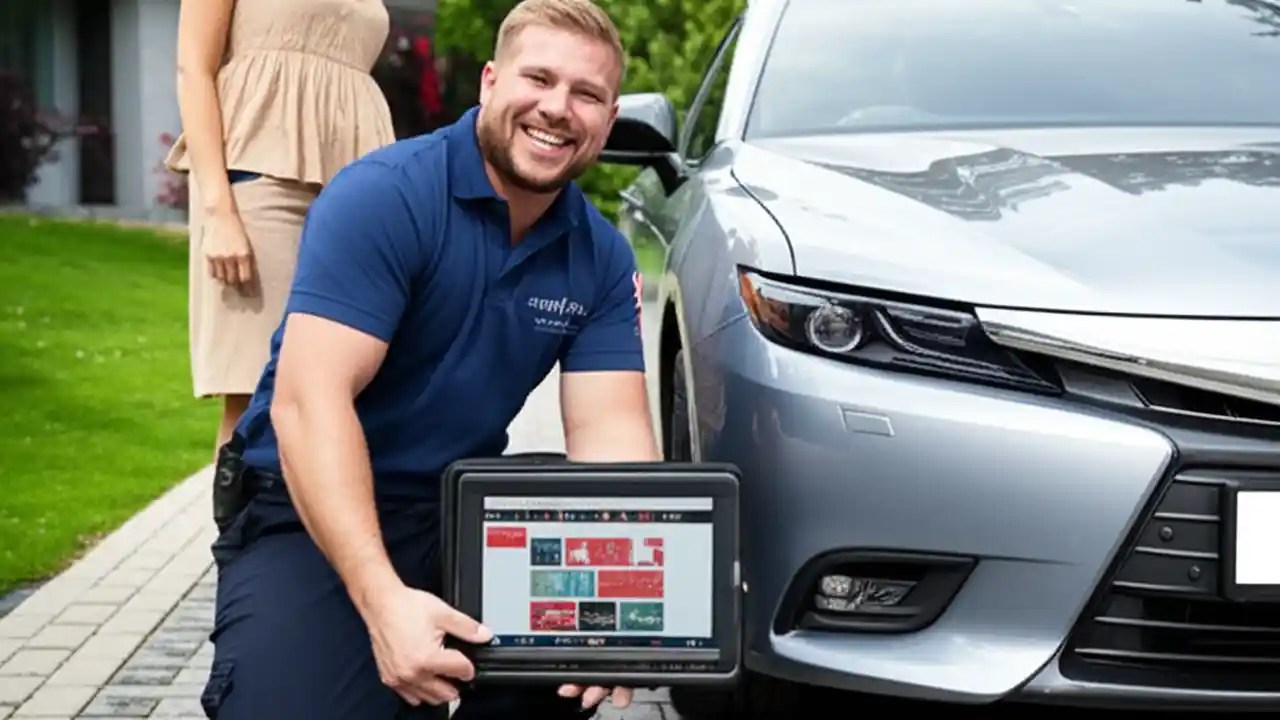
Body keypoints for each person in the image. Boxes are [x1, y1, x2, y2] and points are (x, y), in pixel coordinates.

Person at [199, 0, 659, 718]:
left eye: (587, 94)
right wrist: (384, 605)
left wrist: (625, 610)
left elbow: (614, 439)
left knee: (564, 671)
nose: (557, 108)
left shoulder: (599, 256)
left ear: (609, 116)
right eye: (537, 78)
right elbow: (308, 405)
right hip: (306, 507)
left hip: (458, 513)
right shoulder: (385, 196)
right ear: (488, 82)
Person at [167, 0, 397, 454]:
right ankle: (244, 527)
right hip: (260, 173)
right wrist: (219, 212)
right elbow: (193, 68)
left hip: (356, 190)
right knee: (258, 396)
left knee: (347, 387)